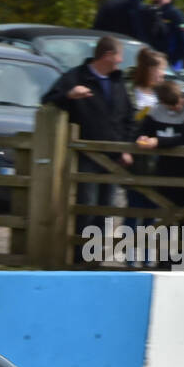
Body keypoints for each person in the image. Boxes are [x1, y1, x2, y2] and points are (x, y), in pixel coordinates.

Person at [42, 35, 136, 265]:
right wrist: (70, 96)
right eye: (119, 56)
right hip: (86, 155)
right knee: (86, 207)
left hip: (113, 157)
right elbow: (48, 99)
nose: (121, 62)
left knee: (106, 209)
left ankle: (94, 259)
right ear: (108, 55)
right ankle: (79, 258)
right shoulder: (76, 77)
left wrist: (126, 146)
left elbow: (128, 117)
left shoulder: (117, 81)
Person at [135, 81, 184, 269]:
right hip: (165, 172)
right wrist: (142, 138)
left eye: (179, 102)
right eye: (172, 105)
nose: (177, 107)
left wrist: (158, 141)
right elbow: (142, 130)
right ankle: (167, 260)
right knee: (167, 218)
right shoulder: (156, 111)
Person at [124, 47, 167, 237]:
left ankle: (148, 255)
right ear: (149, 69)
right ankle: (130, 256)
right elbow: (128, 120)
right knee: (135, 207)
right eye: (160, 69)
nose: (163, 74)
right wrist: (146, 114)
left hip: (158, 161)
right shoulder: (130, 91)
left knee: (153, 211)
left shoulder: (163, 94)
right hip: (136, 160)